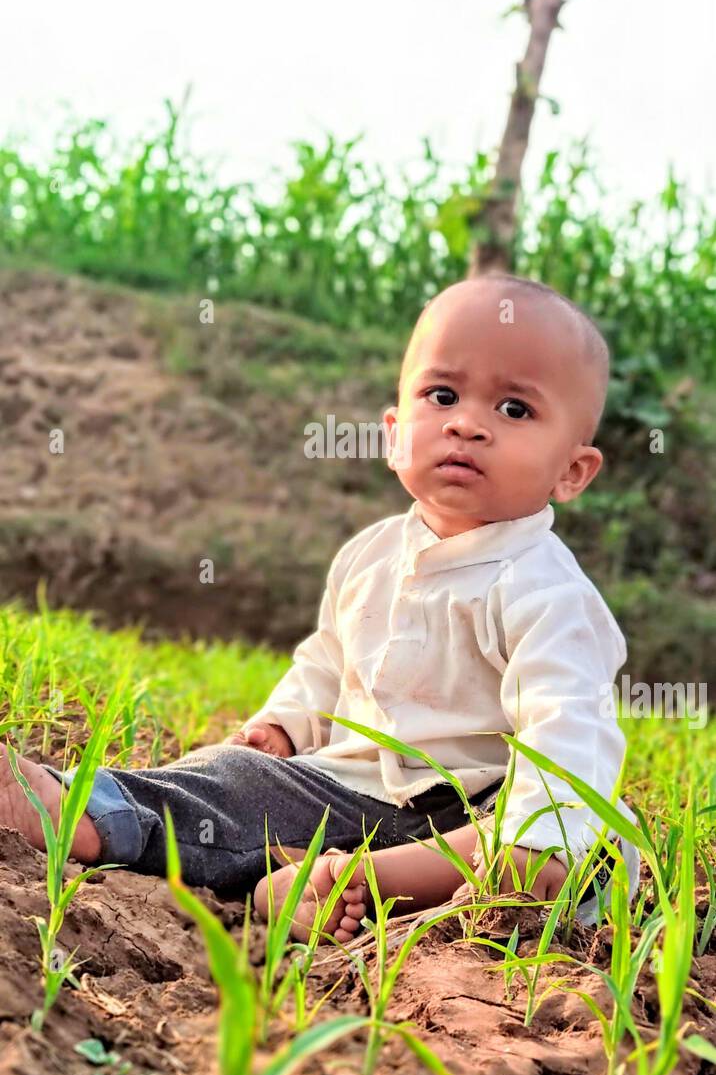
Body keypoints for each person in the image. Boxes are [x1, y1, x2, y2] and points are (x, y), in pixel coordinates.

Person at [0, 274, 640, 942]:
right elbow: (328, 665)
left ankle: (348, 882)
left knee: (574, 847)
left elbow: (564, 760)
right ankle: (81, 806)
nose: (465, 423)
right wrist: (285, 724)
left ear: (573, 471)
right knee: (235, 779)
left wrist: (534, 837)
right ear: (395, 435)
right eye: (442, 395)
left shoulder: (549, 596)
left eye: (514, 410)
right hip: (353, 795)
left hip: (483, 818)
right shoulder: (369, 555)